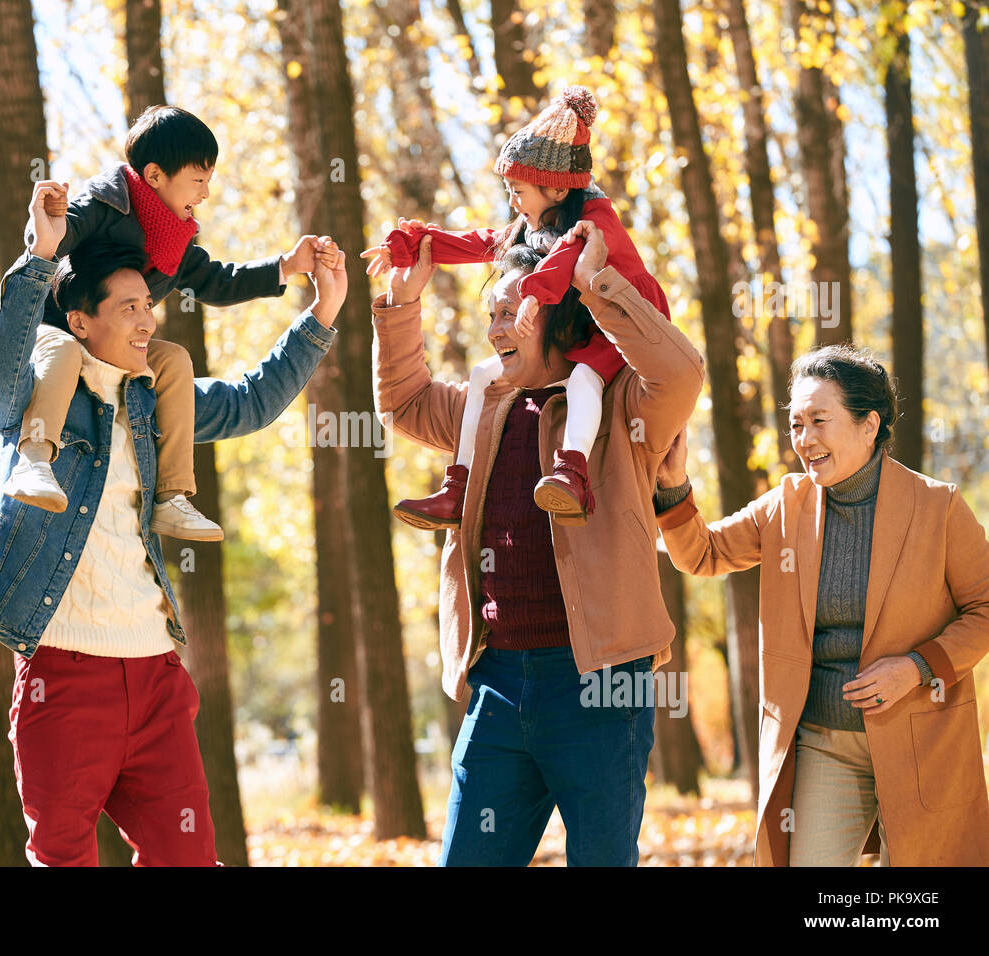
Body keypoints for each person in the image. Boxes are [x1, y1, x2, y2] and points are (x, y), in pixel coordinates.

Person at [0, 180, 345, 866]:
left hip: (157, 673)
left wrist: (322, 315)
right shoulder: (34, 397)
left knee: (187, 857)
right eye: (129, 307)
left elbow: (251, 401)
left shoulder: (158, 401)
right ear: (81, 320)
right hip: (63, 675)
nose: (147, 321)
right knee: (65, 857)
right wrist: (40, 256)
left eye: (149, 305)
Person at [372, 219, 703, 865]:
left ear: (556, 314)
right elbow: (405, 402)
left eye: (513, 311)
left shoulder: (623, 405)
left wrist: (597, 284)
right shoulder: (484, 405)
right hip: (497, 685)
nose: (497, 327)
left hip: (601, 684)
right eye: (491, 313)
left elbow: (682, 373)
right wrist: (403, 301)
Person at [653, 344, 989, 865]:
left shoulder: (937, 507)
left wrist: (918, 667)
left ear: (868, 425)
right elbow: (704, 554)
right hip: (822, 745)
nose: (804, 440)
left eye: (818, 421)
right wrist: (673, 487)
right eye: (795, 424)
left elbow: (985, 607)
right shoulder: (785, 505)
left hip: (921, 745)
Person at [4, 104, 331, 542]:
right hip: (60, 331)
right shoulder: (106, 202)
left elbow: (217, 281)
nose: (206, 194)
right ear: (155, 175)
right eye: (199, 180)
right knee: (62, 352)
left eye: (208, 181)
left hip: (116, 349)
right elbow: (61, 232)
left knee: (175, 360)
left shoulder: (174, 241)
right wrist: (46, 228)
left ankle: (171, 497)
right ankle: (35, 461)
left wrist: (286, 266)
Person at [362, 85, 670, 528]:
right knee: (483, 375)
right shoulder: (535, 221)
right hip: (575, 322)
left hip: (622, 326)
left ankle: (572, 470)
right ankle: (459, 485)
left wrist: (532, 294)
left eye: (517, 189)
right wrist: (417, 245)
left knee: (585, 378)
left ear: (557, 190)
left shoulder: (594, 219)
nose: (512, 201)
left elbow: (568, 256)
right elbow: (484, 243)